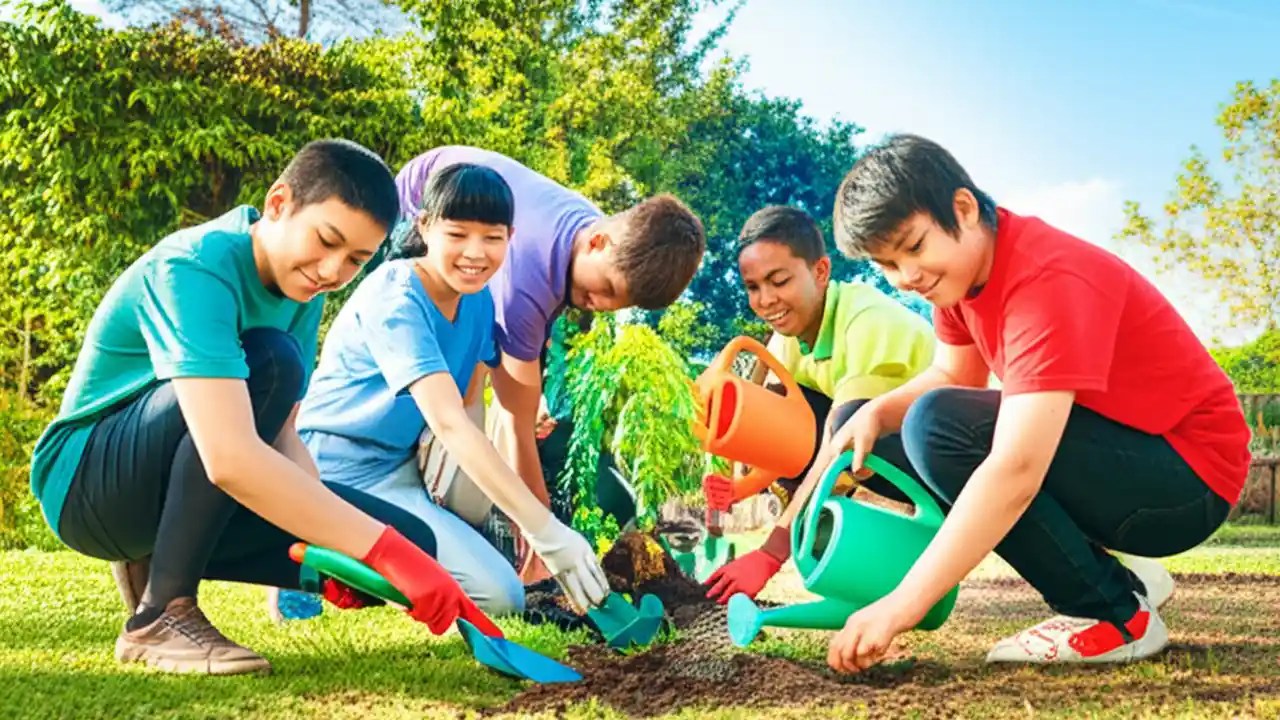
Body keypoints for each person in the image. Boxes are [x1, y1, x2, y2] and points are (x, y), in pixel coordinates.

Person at [29, 139, 500, 676]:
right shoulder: (194, 267)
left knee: (410, 540)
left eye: (355, 260)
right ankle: (160, 616)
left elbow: (282, 438)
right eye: (326, 241)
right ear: (278, 203)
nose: (332, 270)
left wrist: (338, 546)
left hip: (176, 478)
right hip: (87, 487)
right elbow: (229, 457)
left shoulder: (303, 290)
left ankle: (152, 565)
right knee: (271, 363)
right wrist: (379, 548)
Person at [818, 133, 1249, 672]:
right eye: (887, 264)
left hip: (1188, 480)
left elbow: (1016, 468)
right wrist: (875, 412)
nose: (907, 277)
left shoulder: (1042, 277)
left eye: (914, 247)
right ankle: (1126, 578)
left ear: (963, 208)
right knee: (878, 429)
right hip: (1127, 460)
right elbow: (954, 374)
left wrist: (901, 606)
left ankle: (1114, 615)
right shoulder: (959, 280)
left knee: (938, 427)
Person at [291, 162, 609, 616]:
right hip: (331, 469)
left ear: (510, 237)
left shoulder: (478, 302)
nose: (474, 253)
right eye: (457, 234)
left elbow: (473, 399)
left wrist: (474, 498)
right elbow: (448, 421)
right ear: (424, 226)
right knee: (490, 592)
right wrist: (546, 531)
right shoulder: (396, 296)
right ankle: (313, 557)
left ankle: (364, 558)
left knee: (501, 596)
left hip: (399, 470)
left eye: (492, 238)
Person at [392, 146, 706, 581]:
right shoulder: (528, 275)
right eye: (606, 289)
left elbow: (517, 366)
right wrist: (547, 538)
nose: (602, 304)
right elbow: (515, 423)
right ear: (597, 242)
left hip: (486, 243)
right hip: (420, 203)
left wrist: (527, 394)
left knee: (485, 396)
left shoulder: (594, 242)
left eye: (619, 303)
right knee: (424, 386)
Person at [701, 205, 937, 605]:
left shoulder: (867, 321)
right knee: (774, 409)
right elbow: (783, 442)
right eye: (753, 287)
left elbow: (839, 442)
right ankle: (836, 554)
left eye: (779, 281)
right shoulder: (787, 341)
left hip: (949, 455)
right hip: (881, 450)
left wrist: (770, 554)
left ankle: (880, 557)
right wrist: (739, 489)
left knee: (842, 424)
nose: (766, 300)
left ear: (821, 271)